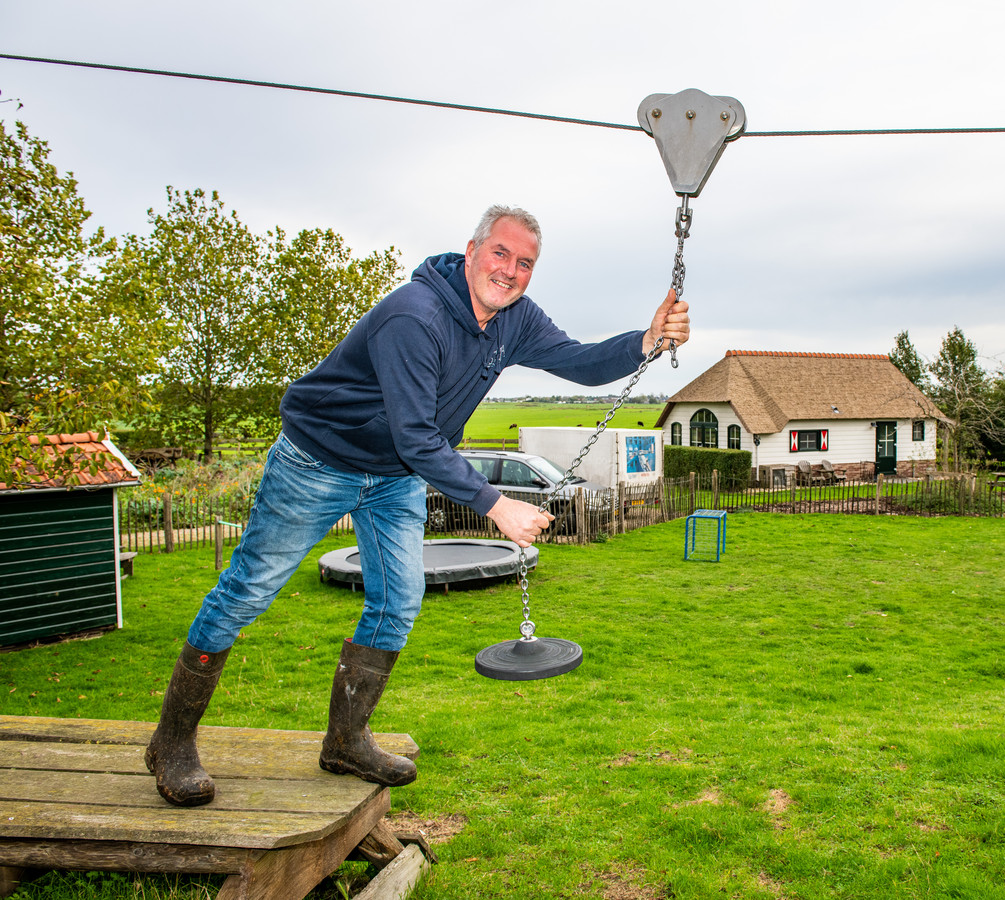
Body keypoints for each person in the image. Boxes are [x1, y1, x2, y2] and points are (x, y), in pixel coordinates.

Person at [144, 205, 690, 807]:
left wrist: (645, 340)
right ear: (471, 250)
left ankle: (346, 741)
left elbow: (578, 361)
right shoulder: (415, 315)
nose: (509, 272)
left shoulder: (514, 320)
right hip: (317, 462)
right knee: (249, 590)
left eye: (525, 263)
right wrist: (495, 504)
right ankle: (170, 742)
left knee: (397, 601)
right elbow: (417, 435)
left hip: (395, 476)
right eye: (501, 254)